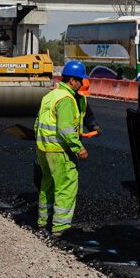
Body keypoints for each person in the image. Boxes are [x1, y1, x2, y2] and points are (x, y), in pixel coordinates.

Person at [35, 60, 89, 237]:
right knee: (66, 186)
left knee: (47, 185)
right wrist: (78, 147)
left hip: (44, 149)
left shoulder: (50, 96)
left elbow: (37, 123)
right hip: (60, 151)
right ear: (72, 80)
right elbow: (65, 129)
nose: (82, 84)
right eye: (80, 80)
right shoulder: (66, 99)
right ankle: (60, 227)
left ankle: (43, 221)